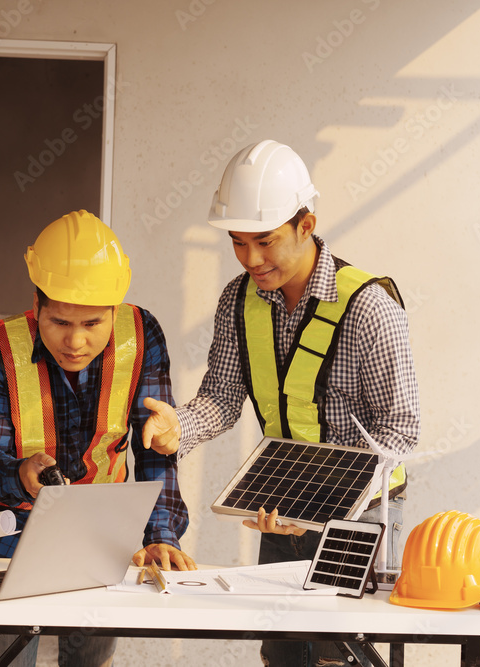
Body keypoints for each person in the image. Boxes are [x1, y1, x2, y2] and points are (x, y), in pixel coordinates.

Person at [143, 140, 420, 667]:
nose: (251, 259)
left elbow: (401, 431)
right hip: (282, 511)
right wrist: (183, 426)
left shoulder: (369, 307)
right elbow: (222, 399)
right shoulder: (237, 300)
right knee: (287, 655)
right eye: (238, 243)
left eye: (265, 241)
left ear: (306, 224)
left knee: (341, 657)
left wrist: (323, 506)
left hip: (363, 519)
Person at [0, 210, 194, 667]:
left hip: (104, 533)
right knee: (2, 659)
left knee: (88, 659)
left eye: (92, 324)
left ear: (114, 309)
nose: (75, 342)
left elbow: (155, 447)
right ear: (37, 303)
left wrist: (161, 534)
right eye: (60, 322)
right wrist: (19, 474)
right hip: (17, 531)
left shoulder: (143, 337)